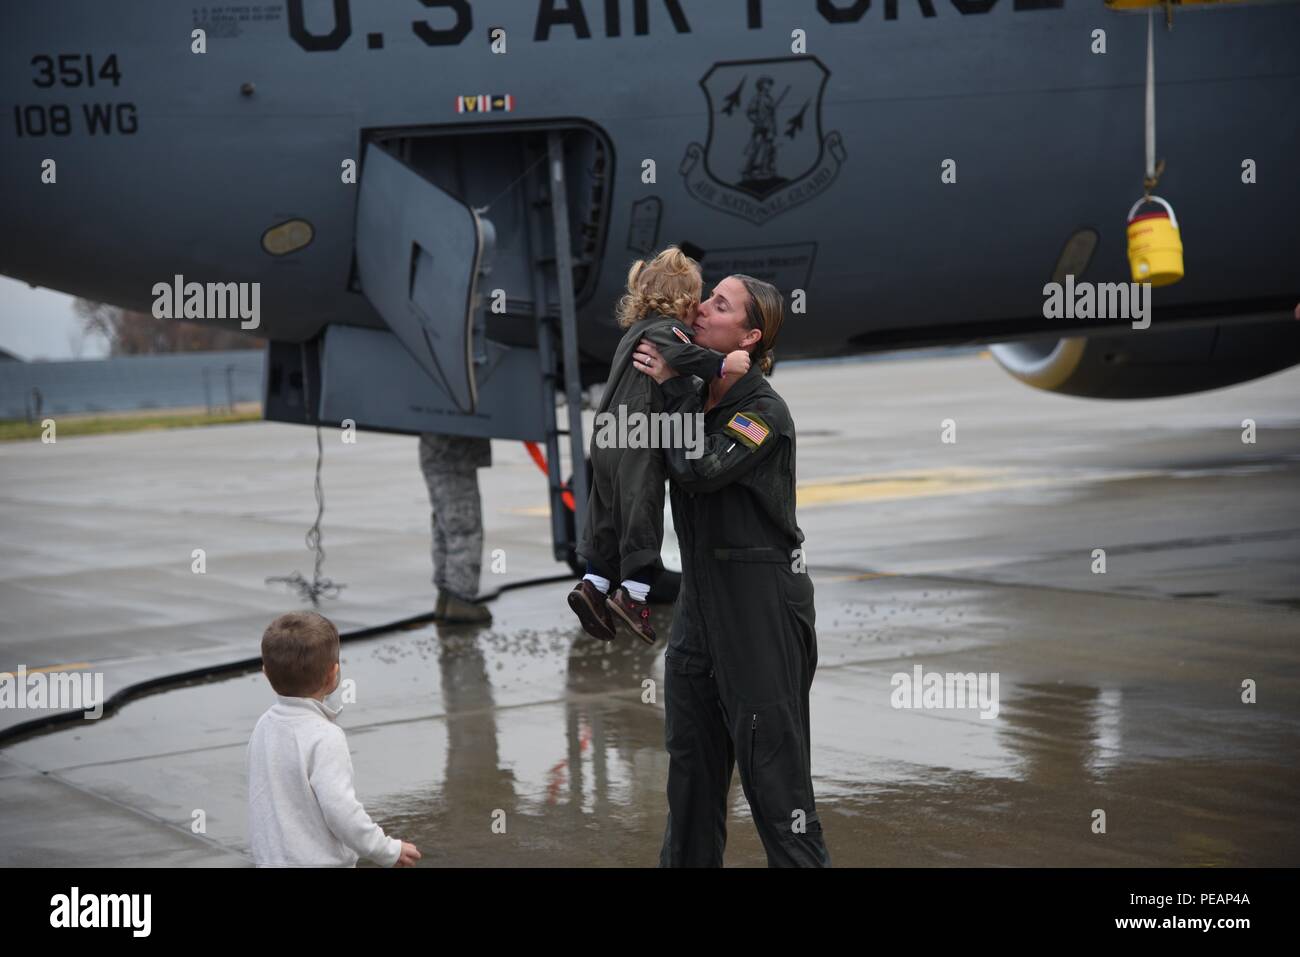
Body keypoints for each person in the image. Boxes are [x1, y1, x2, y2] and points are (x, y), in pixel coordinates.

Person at [633, 274, 831, 867]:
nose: (700, 307)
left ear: (750, 335)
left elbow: (699, 470)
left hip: (761, 605)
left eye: (720, 305)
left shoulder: (762, 411)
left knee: (777, 787)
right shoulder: (696, 390)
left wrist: (670, 390)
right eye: (706, 296)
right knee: (691, 779)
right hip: (702, 606)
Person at [568, 247, 751, 644]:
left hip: (607, 439)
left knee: (607, 514)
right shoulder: (668, 332)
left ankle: (593, 585)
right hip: (638, 438)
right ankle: (633, 597)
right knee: (642, 512)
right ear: (684, 302)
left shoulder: (633, 333)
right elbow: (686, 355)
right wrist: (722, 366)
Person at [248, 610, 421, 868]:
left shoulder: (263, 726)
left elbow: (262, 800)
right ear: (333, 675)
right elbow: (342, 812)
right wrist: (387, 850)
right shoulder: (324, 737)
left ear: (265, 672)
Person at [419, 433, 492, 624]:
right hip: (454, 452)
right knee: (464, 525)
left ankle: (448, 596)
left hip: (437, 450)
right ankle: (460, 599)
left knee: (445, 524)